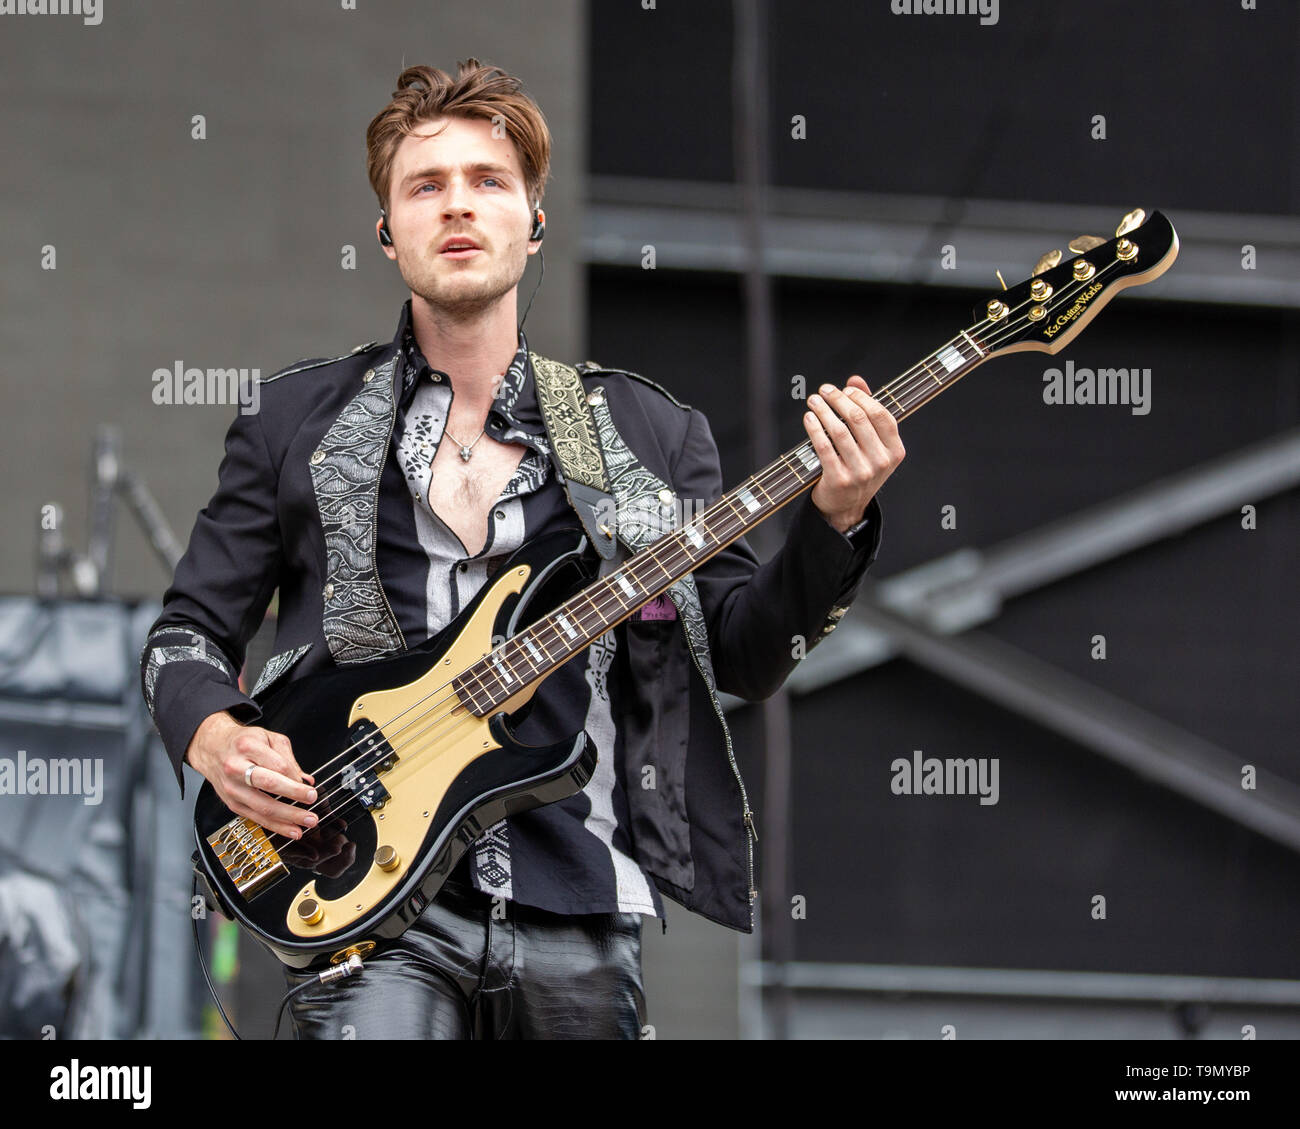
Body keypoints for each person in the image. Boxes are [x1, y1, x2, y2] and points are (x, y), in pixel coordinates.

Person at [139, 58, 904, 1040]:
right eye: (426, 185)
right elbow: (189, 633)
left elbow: (749, 656)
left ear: (535, 219)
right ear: (385, 231)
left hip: (578, 904)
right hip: (359, 890)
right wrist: (215, 735)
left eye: (488, 181)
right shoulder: (295, 419)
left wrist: (833, 520)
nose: (457, 205)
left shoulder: (646, 432)